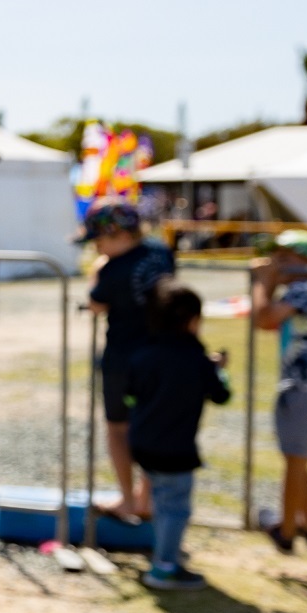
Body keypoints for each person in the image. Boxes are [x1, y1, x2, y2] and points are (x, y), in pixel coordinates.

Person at [126, 279, 231, 592]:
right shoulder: (197, 361)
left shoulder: (142, 354)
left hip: (143, 444)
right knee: (175, 508)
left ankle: (162, 556)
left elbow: (130, 394)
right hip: (176, 450)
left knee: (162, 501)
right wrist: (217, 370)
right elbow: (221, 395)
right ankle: (164, 567)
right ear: (193, 321)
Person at [83, 200, 177, 521]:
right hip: (161, 355)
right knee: (151, 426)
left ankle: (127, 498)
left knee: (117, 428)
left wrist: (96, 272)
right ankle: (145, 497)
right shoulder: (161, 252)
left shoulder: (112, 269)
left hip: (123, 358)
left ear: (119, 235)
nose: (97, 247)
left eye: (99, 240)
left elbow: (95, 304)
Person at [252, 229, 307, 551]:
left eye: (285, 259)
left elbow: (264, 318)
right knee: (298, 460)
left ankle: (287, 532)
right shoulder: (306, 291)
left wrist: (262, 283)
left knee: (294, 461)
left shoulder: (305, 289)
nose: (277, 264)